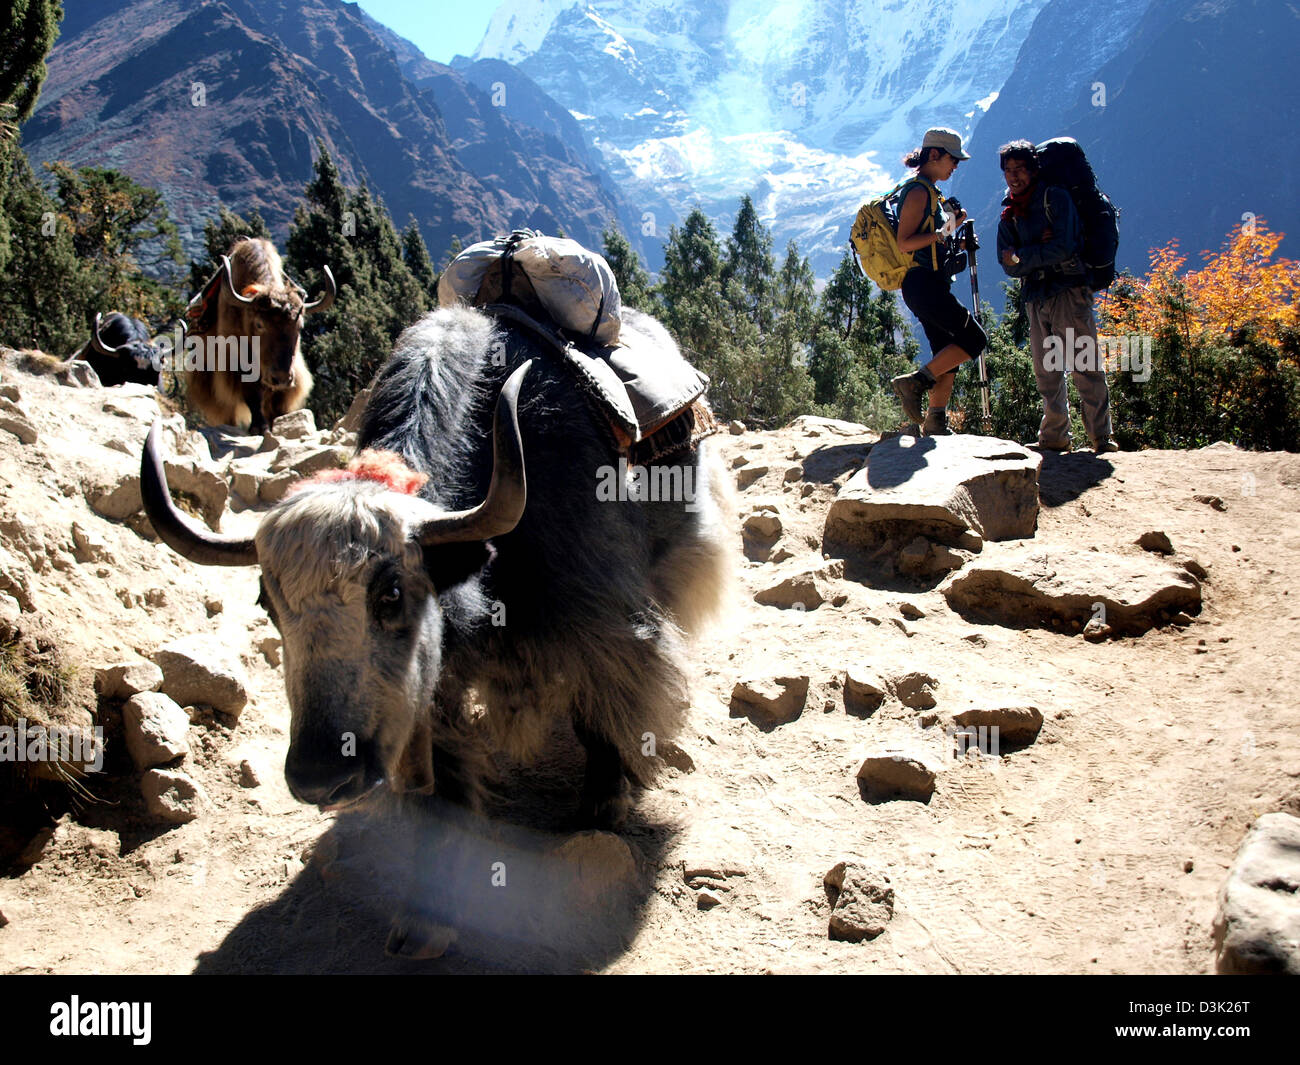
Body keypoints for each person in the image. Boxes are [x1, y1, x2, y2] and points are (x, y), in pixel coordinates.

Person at [995, 139, 1117, 453]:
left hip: (1068, 290)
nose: (1013, 176)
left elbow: (1062, 248)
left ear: (1035, 169)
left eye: (1019, 168)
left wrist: (1022, 255)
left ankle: (1101, 437)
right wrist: (1033, 254)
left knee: (1083, 363)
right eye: (1008, 170)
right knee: (1046, 370)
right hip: (1037, 295)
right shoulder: (1010, 210)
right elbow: (1005, 262)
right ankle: (1054, 437)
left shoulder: (1055, 198)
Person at [889, 127, 988, 436]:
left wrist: (953, 239)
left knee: (948, 351)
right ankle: (914, 383)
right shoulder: (918, 191)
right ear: (934, 155)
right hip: (922, 285)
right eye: (952, 159)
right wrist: (947, 231)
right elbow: (905, 242)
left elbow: (931, 243)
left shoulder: (931, 192)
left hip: (928, 284)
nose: (955, 166)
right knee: (975, 340)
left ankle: (936, 422)